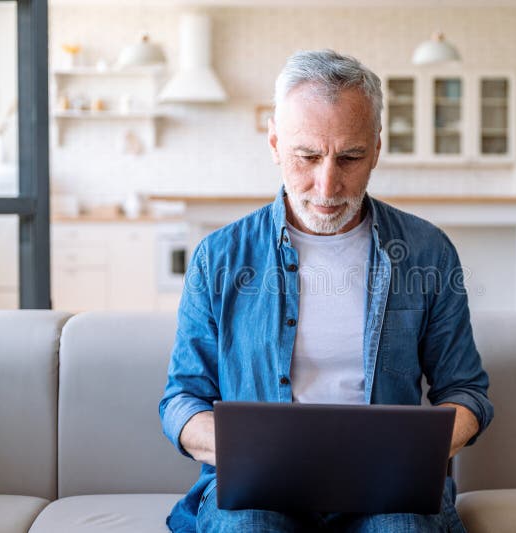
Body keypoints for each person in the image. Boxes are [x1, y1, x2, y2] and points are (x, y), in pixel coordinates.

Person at [159, 49, 493, 533]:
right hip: (258, 490)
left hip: (387, 487)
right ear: (275, 143)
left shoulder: (428, 252)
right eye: (308, 156)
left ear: (376, 149)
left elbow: (466, 392)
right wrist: (248, 451)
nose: (327, 184)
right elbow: (182, 400)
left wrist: (412, 454)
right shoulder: (219, 258)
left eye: (350, 157)